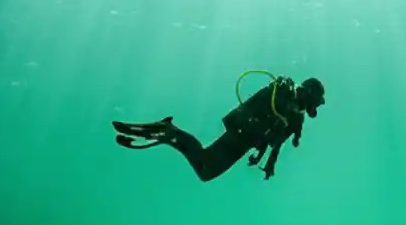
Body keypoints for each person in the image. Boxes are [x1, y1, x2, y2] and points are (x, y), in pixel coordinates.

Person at [112, 75, 325, 181]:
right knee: (206, 168)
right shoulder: (285, 96)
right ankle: (171, 132)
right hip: (241, 134)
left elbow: (277, 141)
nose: (313, 107)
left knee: (206, 170)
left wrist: (269, 163)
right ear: (309, 93)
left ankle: (170, 134)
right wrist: (268, 159)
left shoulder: (296, 115)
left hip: (244, 139)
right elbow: (273, 131)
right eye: (315, 100)